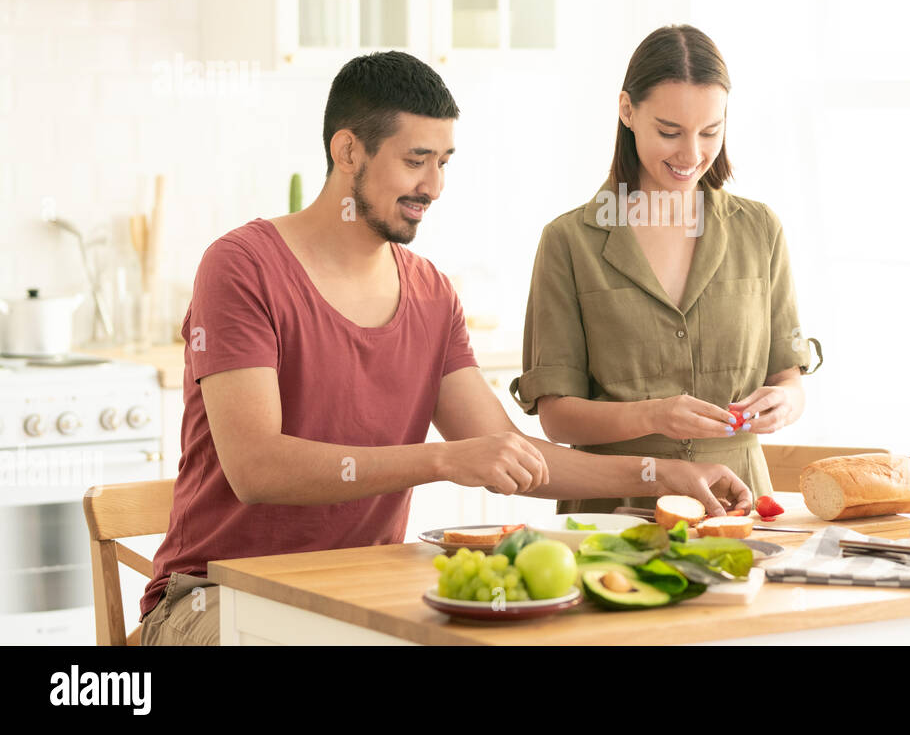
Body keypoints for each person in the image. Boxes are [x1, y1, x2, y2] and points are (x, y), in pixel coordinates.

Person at [139, 50, 751, 645]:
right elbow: (257, 469)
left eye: (444, 162)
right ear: (348, 149)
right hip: (216, 596)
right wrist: (440, 460)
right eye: (416, 160)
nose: (433, 185)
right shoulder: (242, 267)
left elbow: (512, 456)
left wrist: (661, 474)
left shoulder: (430, 293)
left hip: (360, 594)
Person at [510, 25, 821, 515]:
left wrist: (785, 402)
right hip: (616, 509)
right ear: (627, 111)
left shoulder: (760, 230)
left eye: (710, 132)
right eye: (670, 132)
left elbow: (789, 376)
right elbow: (557, 419)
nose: (691, 155)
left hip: (738, 503)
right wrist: (654, 415)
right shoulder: (569, 243)